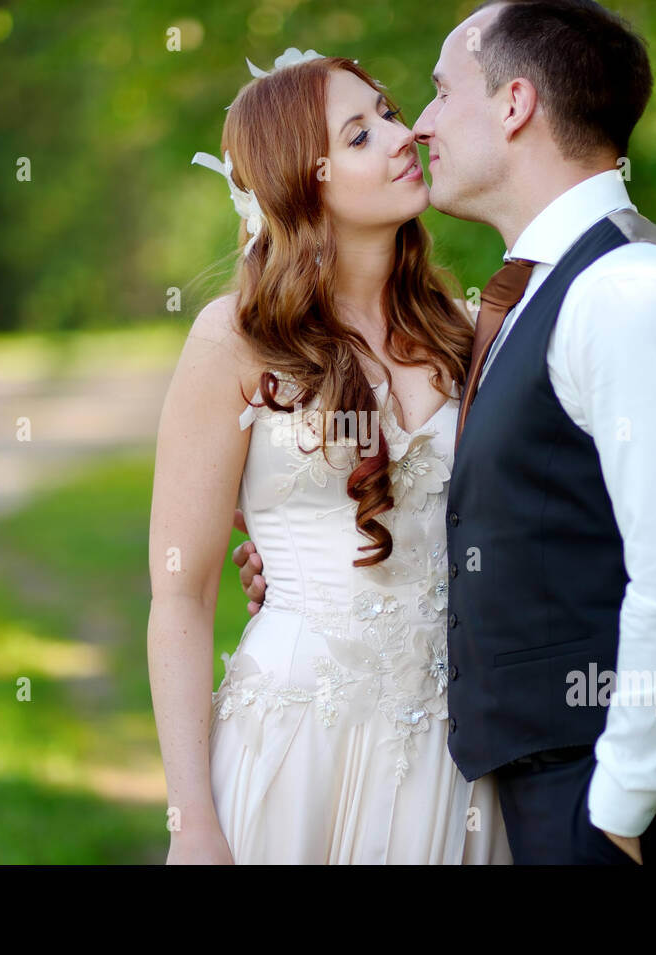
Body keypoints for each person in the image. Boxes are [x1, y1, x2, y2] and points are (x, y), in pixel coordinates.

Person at [234, 0, 656, 864]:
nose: (423, 125)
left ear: (515, 104)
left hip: (612, 806)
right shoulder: (518, 302)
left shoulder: (629, 292)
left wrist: (618, 810)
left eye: (439, 95)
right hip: (528, 793)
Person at [147, 47, 512, 864]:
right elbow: (181, 590)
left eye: (388, 112)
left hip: (452, 749)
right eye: (360, 133)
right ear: (303, 182)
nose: (400, 136)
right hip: (296, 737)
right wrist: (190, 818)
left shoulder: (469, 329)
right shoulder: (235, 340)